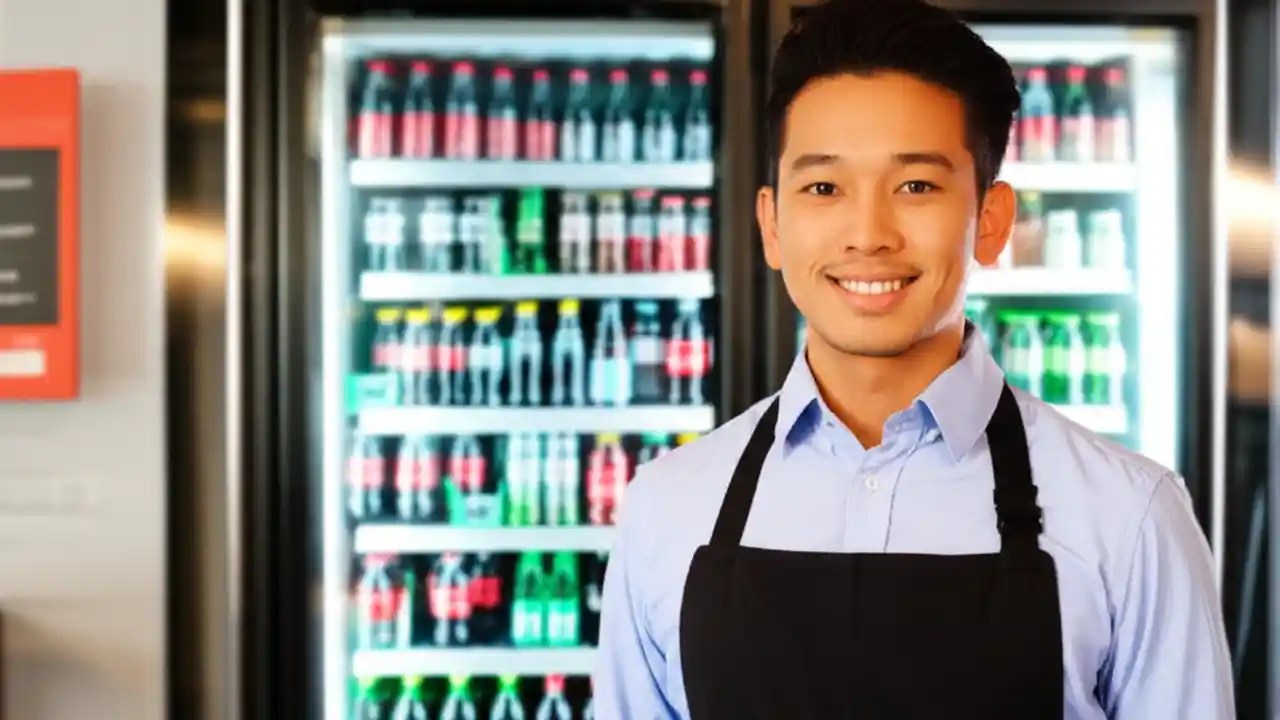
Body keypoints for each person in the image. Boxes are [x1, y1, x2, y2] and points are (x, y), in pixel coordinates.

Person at [594, 0, 1234, 717]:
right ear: (772, 225)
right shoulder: (667, 508)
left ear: (990, 221)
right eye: (824, 187)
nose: (868, 234)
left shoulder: (1132, 517)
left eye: (917, 186)